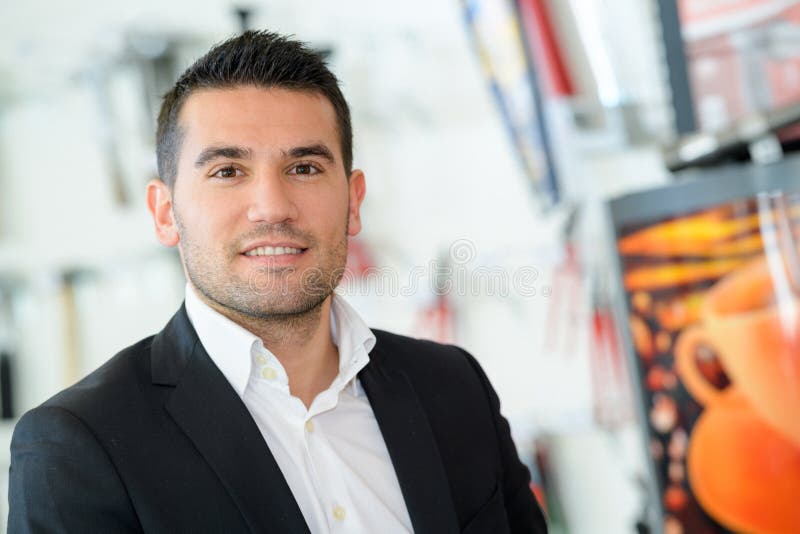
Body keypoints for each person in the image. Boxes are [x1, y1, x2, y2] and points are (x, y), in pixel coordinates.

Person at [8, 30, 548, 534]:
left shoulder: (454, 387)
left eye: (305, 168)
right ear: (165, 212)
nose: (272, 208)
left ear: (353, 200)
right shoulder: (77, 446)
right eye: (227, 171)